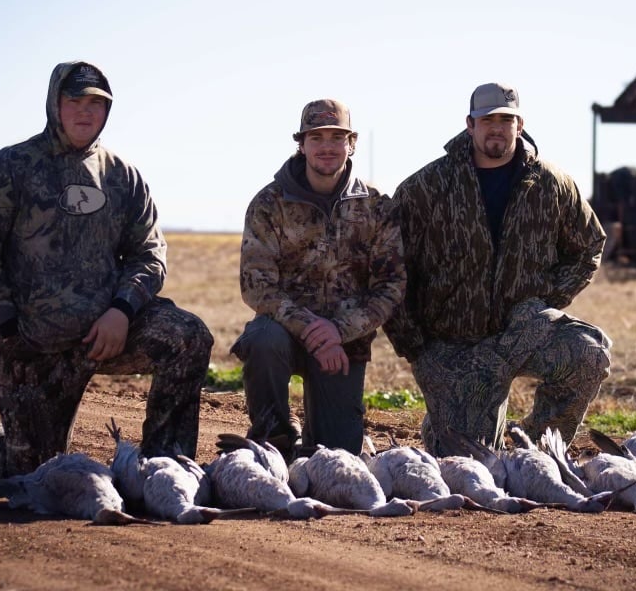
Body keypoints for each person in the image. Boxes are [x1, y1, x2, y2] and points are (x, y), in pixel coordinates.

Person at [0, 61, 214, 479]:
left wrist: (122, 310)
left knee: (187, 336)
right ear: (54, 103)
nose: (85, 111)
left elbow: (150, 253)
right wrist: (7, 326)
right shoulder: (11, 167)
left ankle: (164, 469)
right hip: (31, 344)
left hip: (107, 334)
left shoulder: (121, 176)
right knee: (29, 474)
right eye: (74, 100)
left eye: (96, 103)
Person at [384, 82, 612, 456]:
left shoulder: (551, 184)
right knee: (469, 461)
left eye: (506, 119)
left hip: (525, 330)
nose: (496, 128)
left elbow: (589, 245)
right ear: (469, 124)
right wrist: (414, 346)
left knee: (588, 354)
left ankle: (534, 452)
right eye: (487, 119)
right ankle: (449, 419)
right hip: (454, 343)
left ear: (519, 125)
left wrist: (546, 301)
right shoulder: (427, 187)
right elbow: (390, 265)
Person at [232, 99, 404, 457]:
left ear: (352, 143)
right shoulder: (269, 203)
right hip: (286, 335)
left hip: (344, 345)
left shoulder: (376, 206)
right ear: (301, 144)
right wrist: (312, 328)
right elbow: (256, 286)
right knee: (263, 338)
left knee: (334, 455)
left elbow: (391, 287)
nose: (327, 147)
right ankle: (274, 436)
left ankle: (315, 433)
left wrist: (338, 332)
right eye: (317, 137)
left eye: (336, 138)